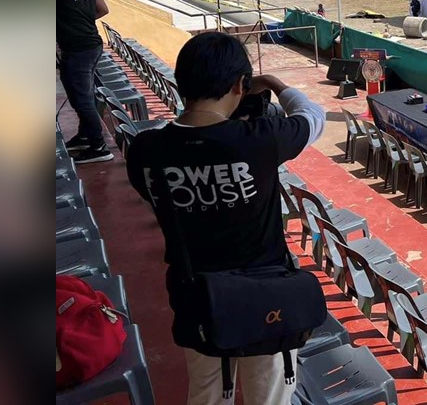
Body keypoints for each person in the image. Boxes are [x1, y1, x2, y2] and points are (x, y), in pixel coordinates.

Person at [126, 32, 325, 405]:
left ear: (181, 83)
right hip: (266, 300)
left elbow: (153, 194)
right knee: (268, 397)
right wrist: (273, 83)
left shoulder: (144, 150)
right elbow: (313, 115)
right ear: (239, 85)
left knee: (207, 394)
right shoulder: (259, 139)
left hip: (196, 299)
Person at [57, 0, 113, 163]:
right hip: (92, 43)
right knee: (81, 93)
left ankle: (99, 147)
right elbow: (103, 9)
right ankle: (85, 135)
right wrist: (81, 23)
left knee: (81, 98)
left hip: (77, 48)